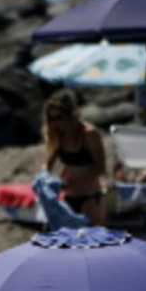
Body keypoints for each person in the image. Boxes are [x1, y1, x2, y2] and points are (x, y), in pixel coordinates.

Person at [42, 91, 108, 226]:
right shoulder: (59, 134)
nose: (55, 123)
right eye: (51, 118)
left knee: (94, 243)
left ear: (70, 115)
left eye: (59, 117)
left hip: (89, 198)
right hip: (68, 197)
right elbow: (48, 164)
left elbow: (100, 169)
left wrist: (72, 184)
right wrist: (44, 179)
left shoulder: (89, 134)